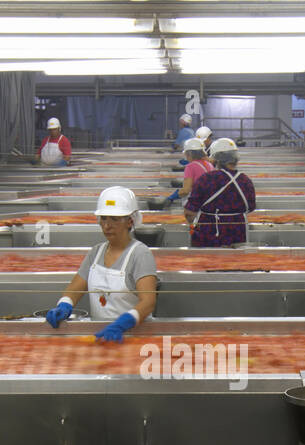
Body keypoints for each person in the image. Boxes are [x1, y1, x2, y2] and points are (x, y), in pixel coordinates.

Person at [43, 186, 158, 343]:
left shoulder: (140, 254)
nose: (107, 225)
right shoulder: (96, 252)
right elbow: (76, 288)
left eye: (114, 219)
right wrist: (64, 304)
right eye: (103, 218)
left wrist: (123, 323)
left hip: (132, 337)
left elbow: (148, 302)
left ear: (130, 221)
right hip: (101, 336)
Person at [184, 137, 256, 248]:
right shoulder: (245, 181)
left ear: (215, 159)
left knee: (208, 263)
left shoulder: (206, 179)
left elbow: (189, 212)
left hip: (209, 232)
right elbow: (251, 207)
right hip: (238, 232)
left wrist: (192, 227)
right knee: (236, 262)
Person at [161, 137, 216, 210]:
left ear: (189, 154)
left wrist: (172, 197)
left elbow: (186, 190)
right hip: (210, 202)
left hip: (197, 204)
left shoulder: (190, 166)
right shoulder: (209, 164)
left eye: (186, 154)